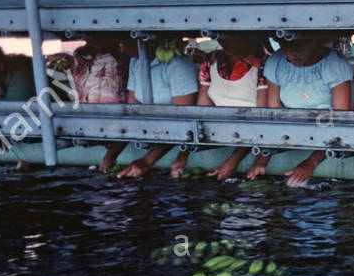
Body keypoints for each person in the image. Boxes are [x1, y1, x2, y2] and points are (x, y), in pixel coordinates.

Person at [246, 33, 353, 185]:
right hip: (290, 134)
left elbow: (340, 121)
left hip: (327, 136)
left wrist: (311, 162)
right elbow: (275, 116)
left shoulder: (333, 64)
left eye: (298, 47)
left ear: (315, 41)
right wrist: (262, 159)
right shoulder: (276, 62)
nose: (290, 54)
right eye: (284, 47)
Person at [174, 35, 271, 180]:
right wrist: (183, 154)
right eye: (224, 38)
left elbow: (261, 120)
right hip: (219, 135)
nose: (228, 43)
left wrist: (234, 160)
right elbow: (202, 112)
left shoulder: (263, 64)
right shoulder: (210, 61)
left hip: (251, 138)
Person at [104, 37, 200, 177]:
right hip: (156, 131)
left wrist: (147, 160)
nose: (122, 44)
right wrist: (111, 155)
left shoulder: (178, 64)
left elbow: (183, 120)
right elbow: (133, 112)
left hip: (174, 133)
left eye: (129, 41)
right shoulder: (135, 62)